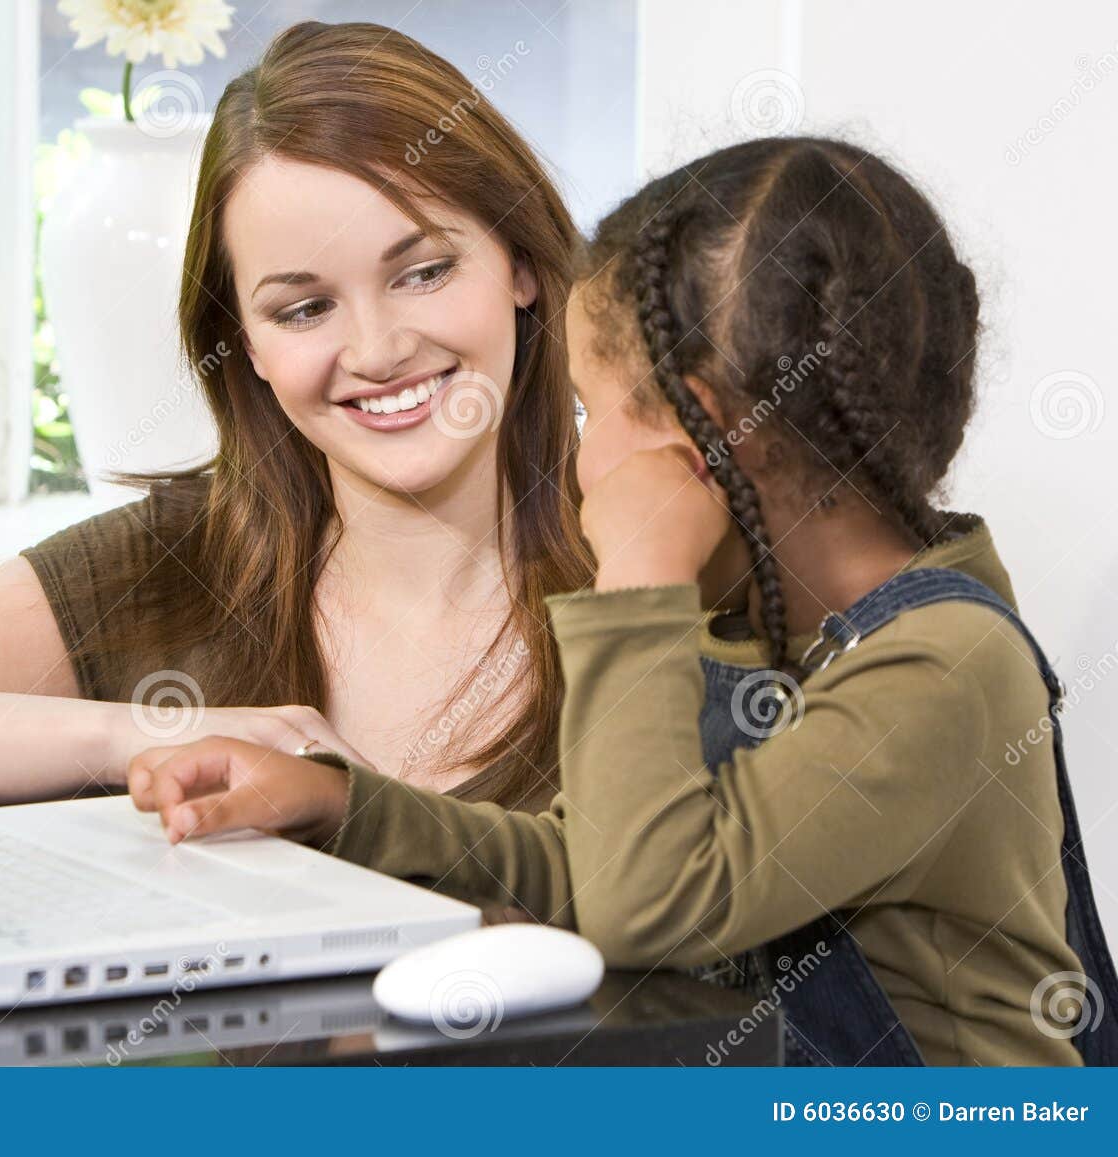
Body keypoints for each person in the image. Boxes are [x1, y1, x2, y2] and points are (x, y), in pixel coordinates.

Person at [128, 136, 1118, 1067]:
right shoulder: (759, 628)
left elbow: (647, 904)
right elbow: (600, 861)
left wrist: (639, 576)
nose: (583, 454)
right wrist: (344, 799)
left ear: (701, 441)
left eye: (591, 412)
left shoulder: (947, 665)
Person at [0, 22, 589, 811]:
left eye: (423, 272)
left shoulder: (659, 563)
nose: (377, 351)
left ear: (519, 264)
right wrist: (128, 737)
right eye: (305, 308)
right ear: (244, 343)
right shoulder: (171, 564)